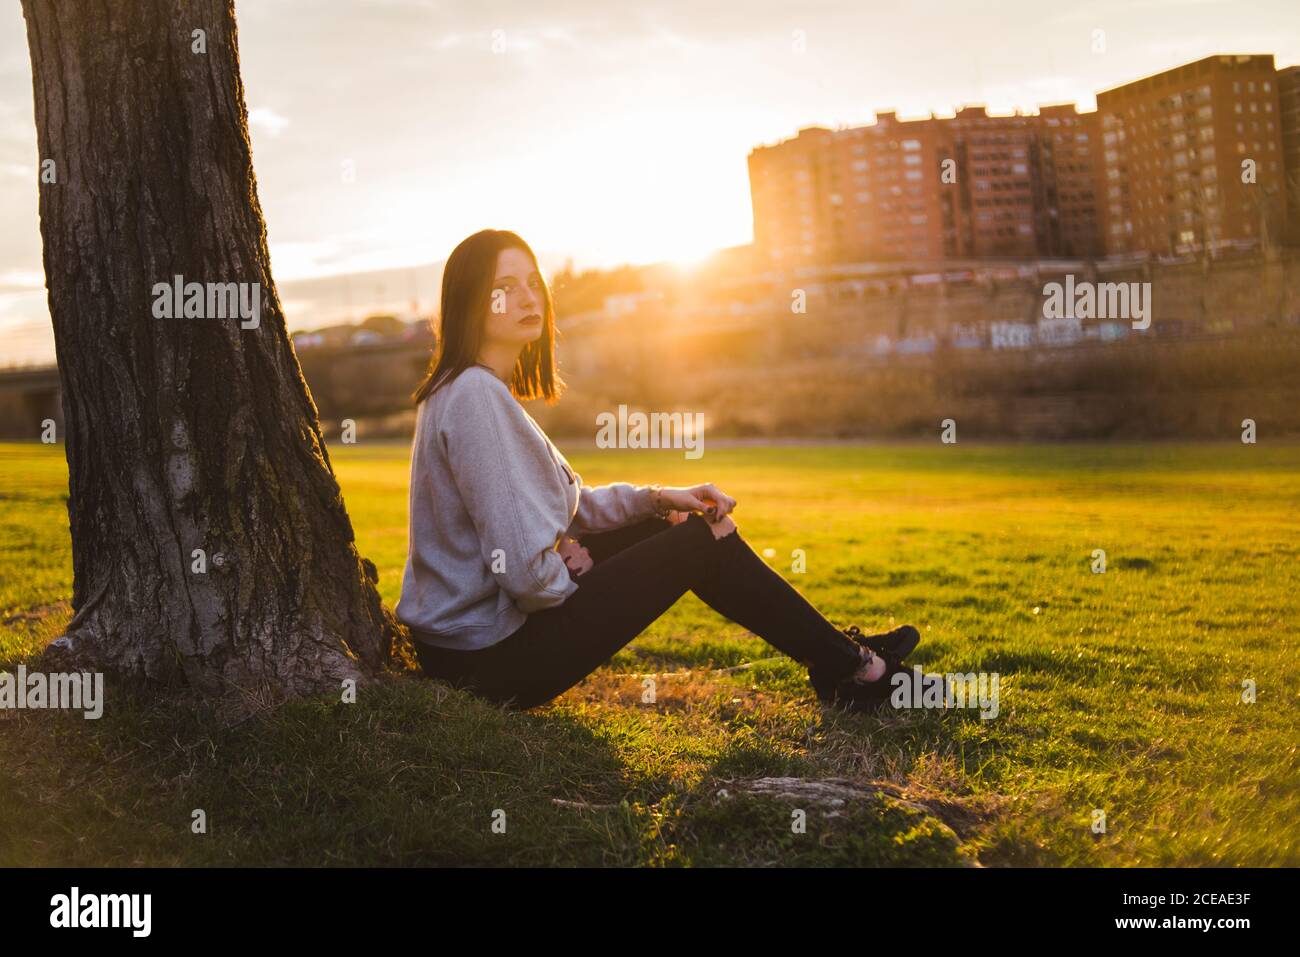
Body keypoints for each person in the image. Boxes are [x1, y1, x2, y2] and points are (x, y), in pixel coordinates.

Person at [394, 228, 921, 712]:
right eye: (504, 287)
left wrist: (662, 498)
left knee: (676, 526)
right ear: (469, 302)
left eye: (534, 281)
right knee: (700, 542)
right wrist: (568, 570)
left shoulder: (465, 390)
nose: (529, 297)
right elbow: (527, 576)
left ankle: (841, 657)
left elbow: (572, 505)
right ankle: (857, 671)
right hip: (489, 662)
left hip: (462, 650)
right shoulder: (476, 399)